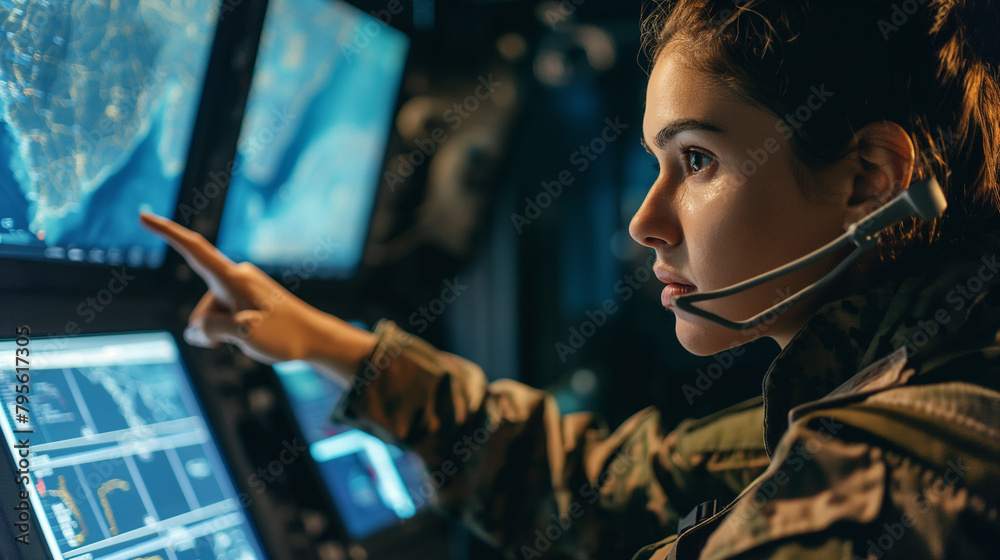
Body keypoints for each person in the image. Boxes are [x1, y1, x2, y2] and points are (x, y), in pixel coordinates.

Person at [141, 0, 1000, 558]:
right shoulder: (899, 367)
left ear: (870, 182)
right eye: (654, 164)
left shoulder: (887, 478)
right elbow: (610, 490)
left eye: (697, 160)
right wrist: (324, 342)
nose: (644, 222)